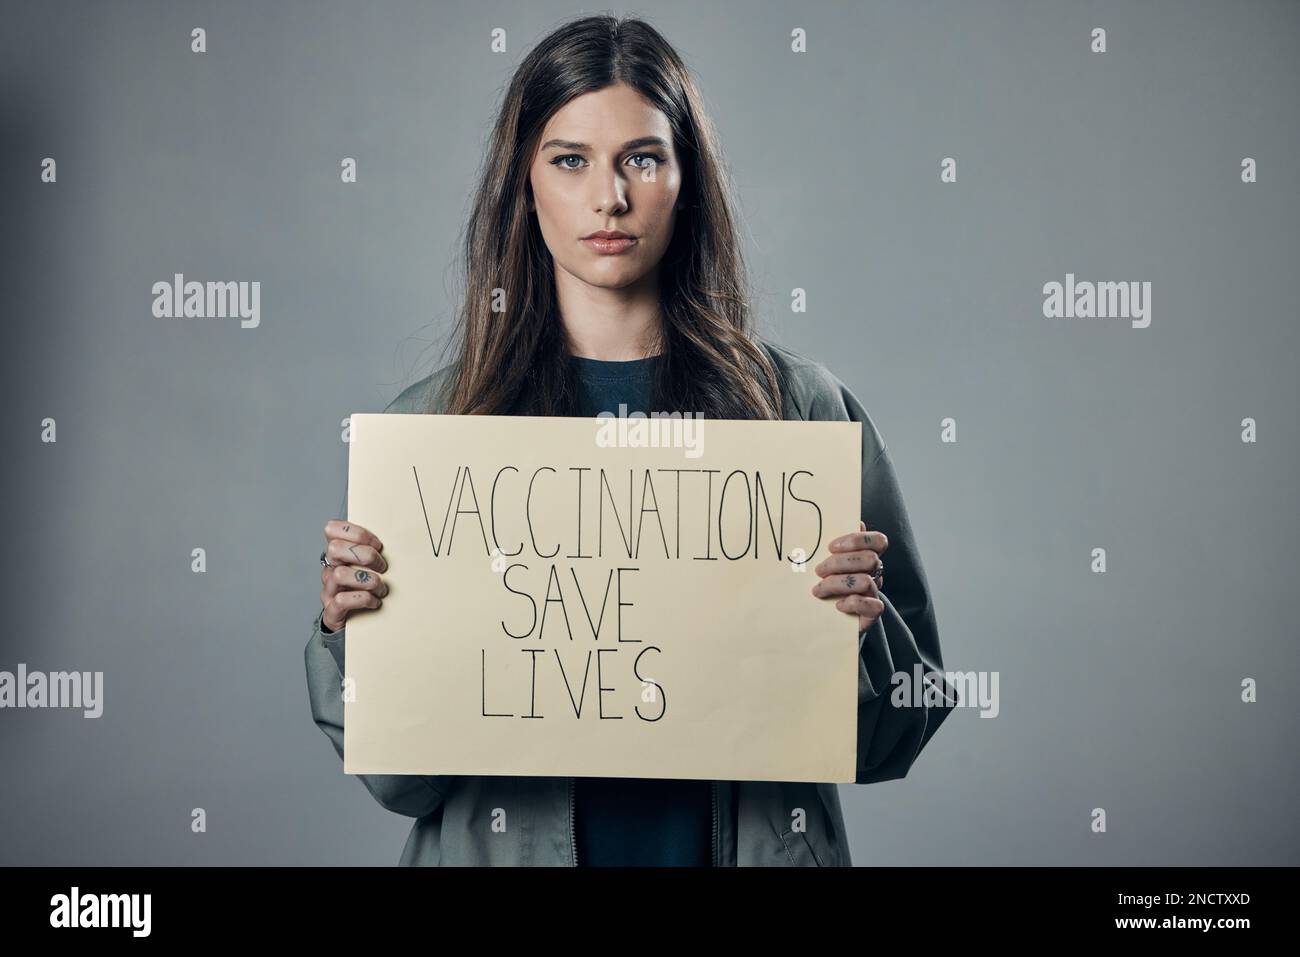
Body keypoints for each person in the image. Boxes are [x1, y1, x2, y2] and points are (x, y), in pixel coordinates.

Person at [305, 13, 957, 866]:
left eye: (641, 158)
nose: (609, 196)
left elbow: (892, 742)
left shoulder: (800, 411)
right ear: (523, 182)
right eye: (569, 159)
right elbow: (403, 783)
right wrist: (349, 630)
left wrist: (858, 630)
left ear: (686, 177)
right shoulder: (437, 431)